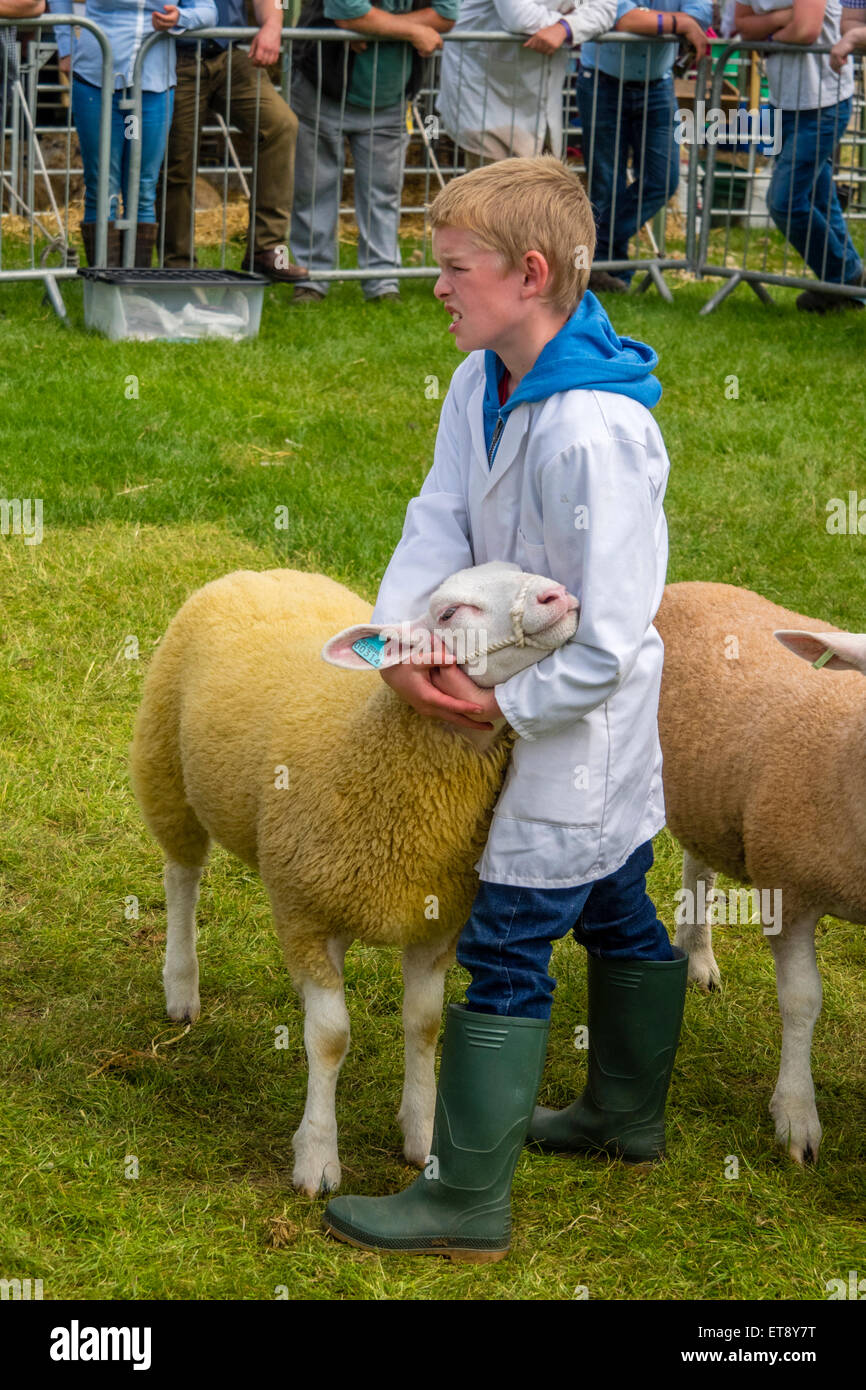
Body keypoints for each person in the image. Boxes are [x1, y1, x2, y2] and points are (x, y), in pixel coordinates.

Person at [322, 156, 688, 1263]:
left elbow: (613, 635)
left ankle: (464, 1203)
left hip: (573, 724)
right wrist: (399, 645)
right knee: (617, 901)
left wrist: (502, 701)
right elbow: (436, 515)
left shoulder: (591, 430)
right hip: (497, 689)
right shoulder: (480, 379)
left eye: (453, 268)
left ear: (529, 274)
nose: (436, 285)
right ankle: (624, 1116)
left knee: (507, 939)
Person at [289, 0, 455, 303]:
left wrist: (376, 25)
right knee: (314, 186)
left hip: (390, 96)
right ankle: (311, 278)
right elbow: (347, 13)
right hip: (322, 84)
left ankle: (382, 282)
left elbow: (446, 15)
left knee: (384, 192)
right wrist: (412, 31)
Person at [48, 0, 217, 268]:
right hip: (96, 81)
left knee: (142, 186)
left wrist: (180, 18)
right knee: (102, 185)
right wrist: (66, 46)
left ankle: (135, 288)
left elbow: (209, 11)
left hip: (151, 87)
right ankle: (103, 287)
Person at [162, 0, 309, 283]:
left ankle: (267, 250)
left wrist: (273, 25)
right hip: (172, 56)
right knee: (176, 161)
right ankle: (178, 269)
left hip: (228, 54)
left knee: (280, 125)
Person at [735, 0, 864, 312]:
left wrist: (766, 33)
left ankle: (846, 277)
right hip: (782, 102)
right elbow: (742, 25)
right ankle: (846, 293)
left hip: (825, 101)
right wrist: (782, 20)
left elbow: (806, 30)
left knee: (784, 201)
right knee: (821, 200)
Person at [577, 1, 711, 293]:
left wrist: (662, 21)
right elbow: (624, 19)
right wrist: (682, 23)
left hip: (658, 84)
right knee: (606, 183)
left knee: (663, 180)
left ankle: (595, 253)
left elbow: (702, 14)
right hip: (602, 81)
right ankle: (612, 276)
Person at [436, 0, 618, 166]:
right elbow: (519, 17)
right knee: (493, 190)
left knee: (540, 186)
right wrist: (576, 22)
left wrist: (566, 27)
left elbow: (606, 10)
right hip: (486, 91)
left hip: (540, 94)